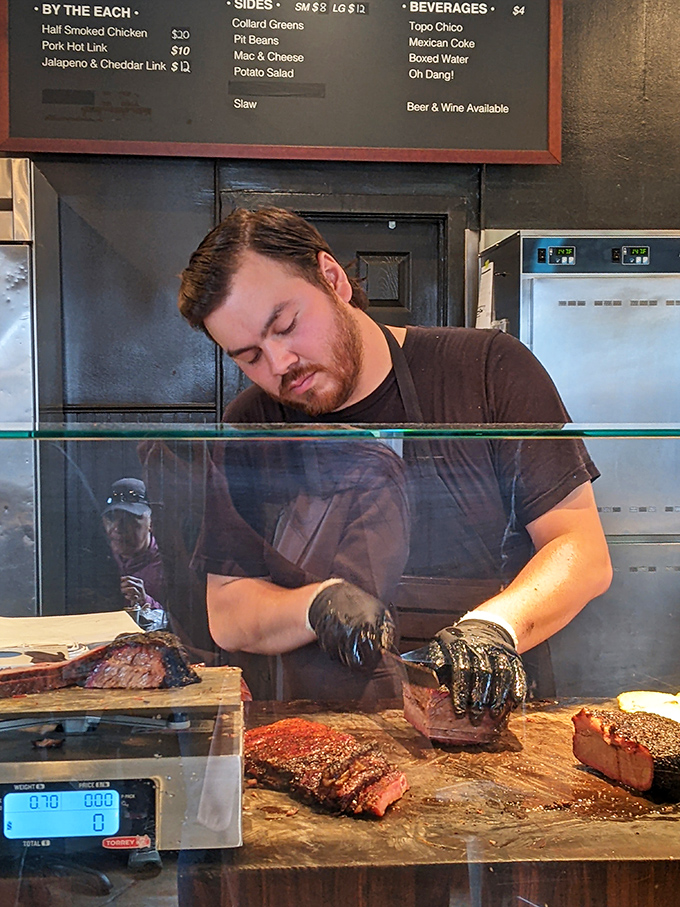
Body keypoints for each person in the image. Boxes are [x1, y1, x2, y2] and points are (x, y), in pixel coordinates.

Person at [177, 207, 612, 713]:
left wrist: (494, 626)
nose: (279, 364)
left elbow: (579, 549)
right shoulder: (251, 425)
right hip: (325, 728)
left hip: (489, 720)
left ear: (332, 279)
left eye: (287, 325)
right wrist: (317, 605)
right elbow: (227, 611)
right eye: (249, 356)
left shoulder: (489, 369)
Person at [102, 478, 168, 632]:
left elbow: (184, 623)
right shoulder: (99, 562)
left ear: (152, 522)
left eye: (130, 519)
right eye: (111, 518)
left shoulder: (169, 566)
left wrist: (146, 602)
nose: (117, 528)